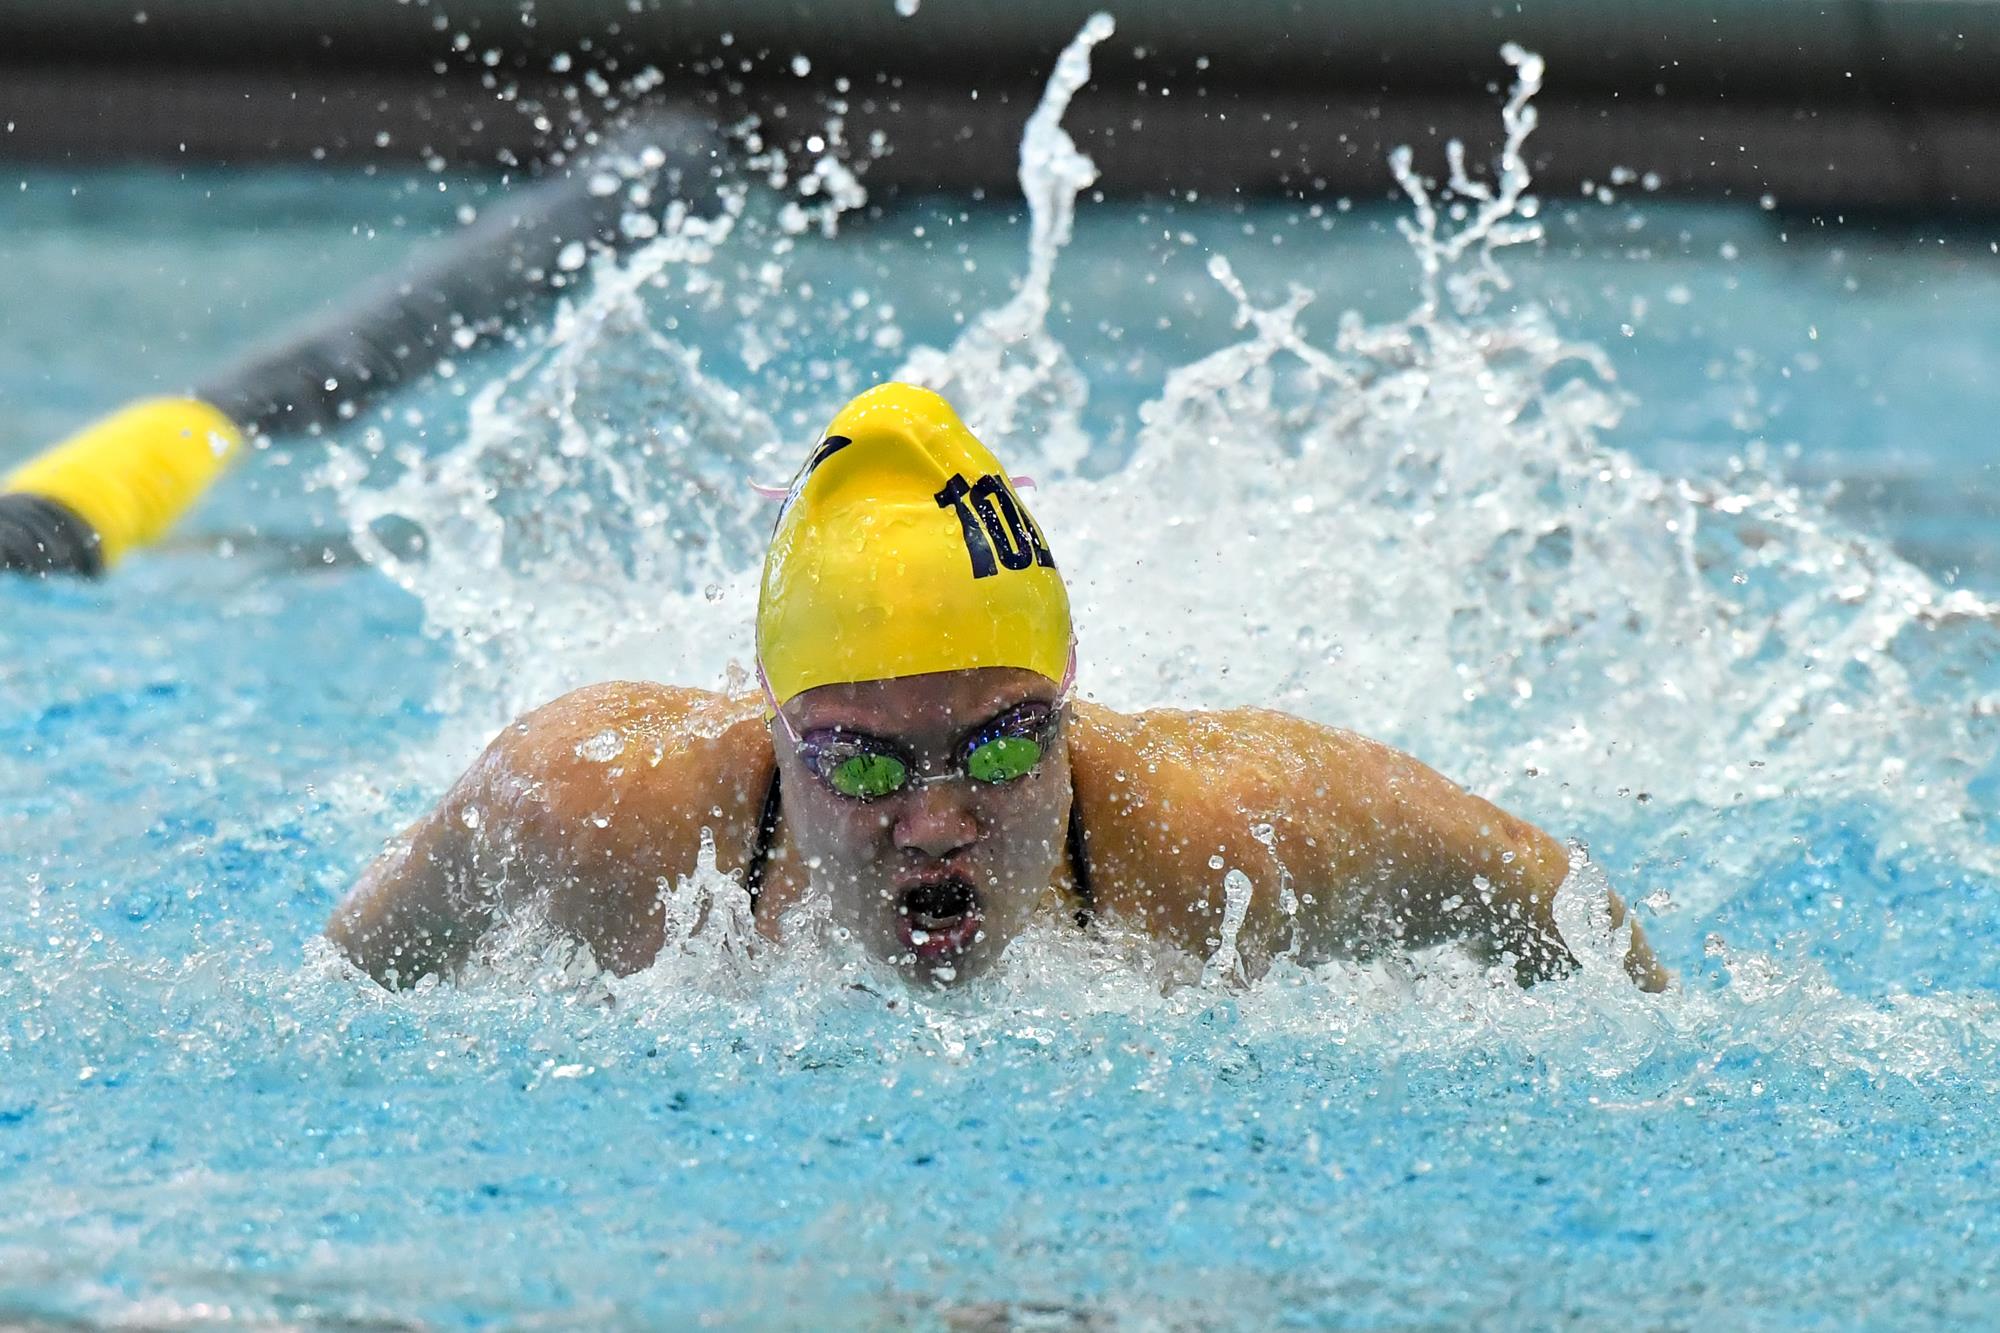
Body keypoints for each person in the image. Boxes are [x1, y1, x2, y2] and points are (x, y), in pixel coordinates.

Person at [329, 382, 1667, 992]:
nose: (936, 820)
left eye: (1005, 742)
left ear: (1070, 701)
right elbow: (340, 998)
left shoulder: (1230, 834)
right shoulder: (591, 808)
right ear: (774, 723)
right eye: (861, 760)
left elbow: (1562, 902)